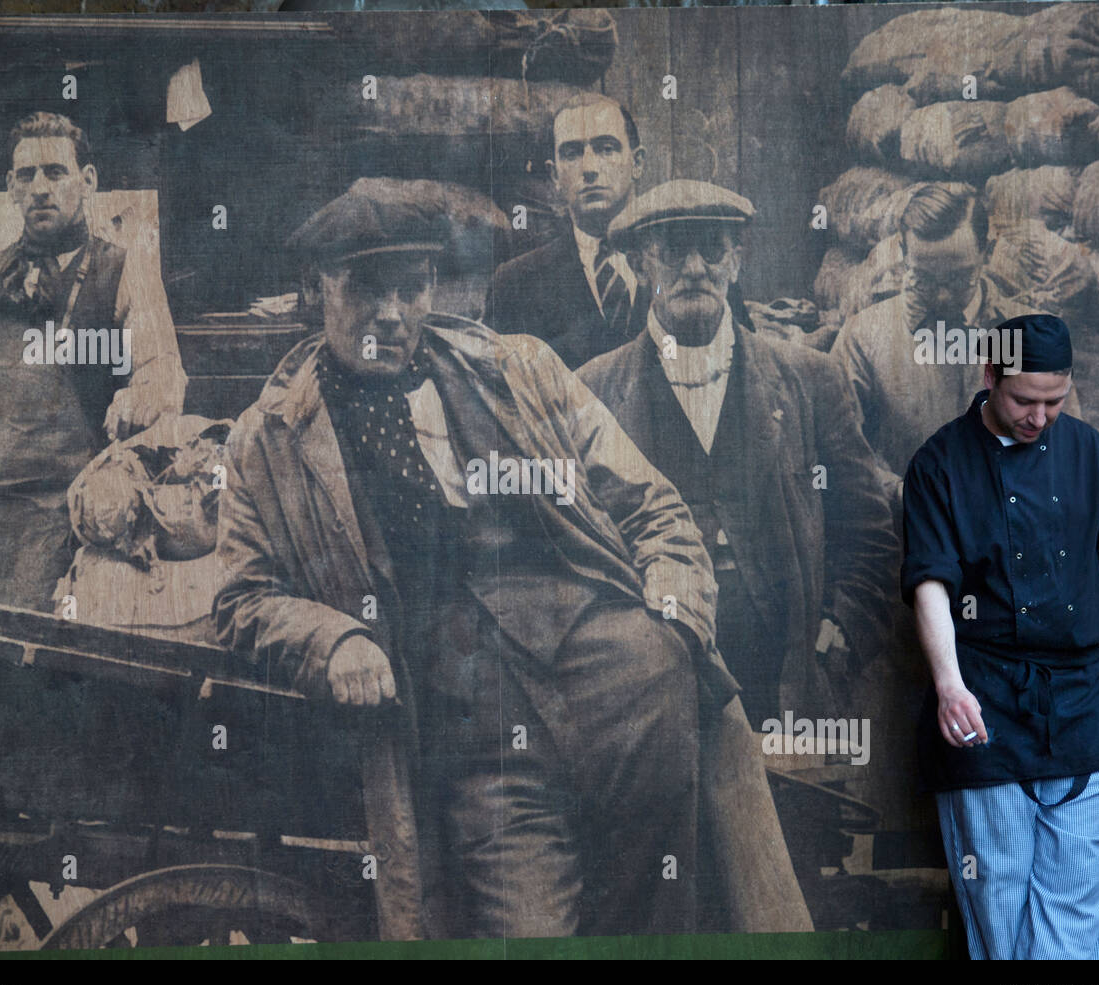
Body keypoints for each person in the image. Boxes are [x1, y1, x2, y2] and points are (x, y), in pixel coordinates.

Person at [214, 177, 746, 939]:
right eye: (366, 289)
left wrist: (674, 614)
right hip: (478, 742)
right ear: (315, 288)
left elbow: (650, 504)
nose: (391, 313)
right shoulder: (267, 439)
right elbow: (242, 597)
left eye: (412, 286)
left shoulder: (518, 369)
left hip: (622, 684)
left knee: (660, 912)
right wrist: (334, 639)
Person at [580, 179, 897, 731]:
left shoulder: (810, 380)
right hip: (655, 686)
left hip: (789, 674)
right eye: (675, 250)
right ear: (638, 263)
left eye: (714, 247)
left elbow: (868, 528)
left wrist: (842, 629)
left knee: (800, 814)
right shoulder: (595, 392)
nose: (696, 267)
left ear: (738, 259)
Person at [901, 314, 1099, 960]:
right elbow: (930, 580)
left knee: (1071, 932)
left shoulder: (1092, 453)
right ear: (989, 377)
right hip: (985, 705)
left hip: (1087, 707)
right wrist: (949, 687)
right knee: (999, 915)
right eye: (1024, 400)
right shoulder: (939, 463)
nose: (1040, 417)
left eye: (1055, 401)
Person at [0, 111, 186, 610]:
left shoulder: (124, 271)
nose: (40, 187)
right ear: (11, 188)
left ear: (87, 182)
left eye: (55, 172)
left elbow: (164, 372)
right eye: (26, 175)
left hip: (52, 540)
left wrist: (141, 394)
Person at [831, 183, 1079, 499]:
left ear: (987, 253)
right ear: (905, 255)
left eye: (959, 278)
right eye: (927, 279)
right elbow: (842, 456)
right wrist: (908, 495)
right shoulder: (864, 338)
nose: (943, 295)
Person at [487, 93, 649, 369]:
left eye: (606, 149)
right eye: (572, 153)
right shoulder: (515, 284)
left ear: (637, 163)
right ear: (554, 176)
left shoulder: (688, 265)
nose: (589, 168)